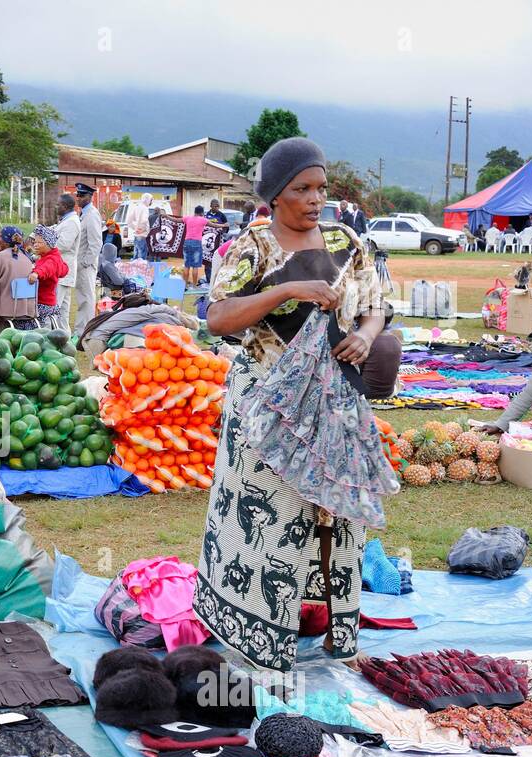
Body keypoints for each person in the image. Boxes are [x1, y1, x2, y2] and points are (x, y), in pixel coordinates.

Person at [194, 137, 388, 673]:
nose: (314, 198)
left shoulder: (348, 242)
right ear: (275, 195)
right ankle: (257, 631)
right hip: (266, 403)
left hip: (335, 398)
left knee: (340, 516)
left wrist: (367, 338)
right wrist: (285, 291)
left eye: (320, 187)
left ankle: (339, 632)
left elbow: (376, 308)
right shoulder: (250, 248)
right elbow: (218, 317)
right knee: (269, 512)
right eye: (301, 189)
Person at [26, 224, 68, 330]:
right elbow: (63, 269)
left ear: (49, 244)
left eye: (39, 243)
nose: (35, 245)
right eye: (35, 242)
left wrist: (36, 273)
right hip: (44, 302)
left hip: (43, 304)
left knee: (42, 333)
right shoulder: (47, 257)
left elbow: (46, 268)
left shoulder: (52, 259)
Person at [74, 183, 104, 330]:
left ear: (90, 197)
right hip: (80, 263)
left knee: (86, 299)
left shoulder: (92, 214)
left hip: (86, 264)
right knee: (81, 298)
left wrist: (85, 263)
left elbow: (96, 243)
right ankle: (81, 329)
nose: (78, 198)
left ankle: (84, 331)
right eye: (77, 195)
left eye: (82, 195)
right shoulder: (83, 213)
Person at [55, 193, 81, 324]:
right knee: (62, 312)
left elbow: (63, 245)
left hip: (63, 270)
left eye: (58, 204)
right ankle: (64, 339)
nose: (56, 207)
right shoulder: (66, 220)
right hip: (62, 270)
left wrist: (44, 246)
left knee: (56, 308)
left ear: (64, 206)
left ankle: (56, 338)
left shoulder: (72, 222)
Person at [179, 204, 210, 286]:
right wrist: (224, 225)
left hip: (187, 243)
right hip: (197, 243)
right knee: (195, 266)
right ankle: (194, 285)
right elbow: (215, 225)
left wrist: (166, 217)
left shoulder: (187, 218)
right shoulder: (203, 220)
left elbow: (176, 220)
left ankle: (185, 285)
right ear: (201, 213)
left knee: (186, 265)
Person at [127, 193, 153, 260]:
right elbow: (144, 220)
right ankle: (140, 269)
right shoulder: (145, 209)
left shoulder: (136, 207)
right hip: (143, 235)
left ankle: (135, 269)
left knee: (136, 255)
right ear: (148, 200)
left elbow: (128, 221)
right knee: (142, 256)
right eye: (150, 200)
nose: (151, 202)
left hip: (136, 235)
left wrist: (135, 228)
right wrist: (142, 229)